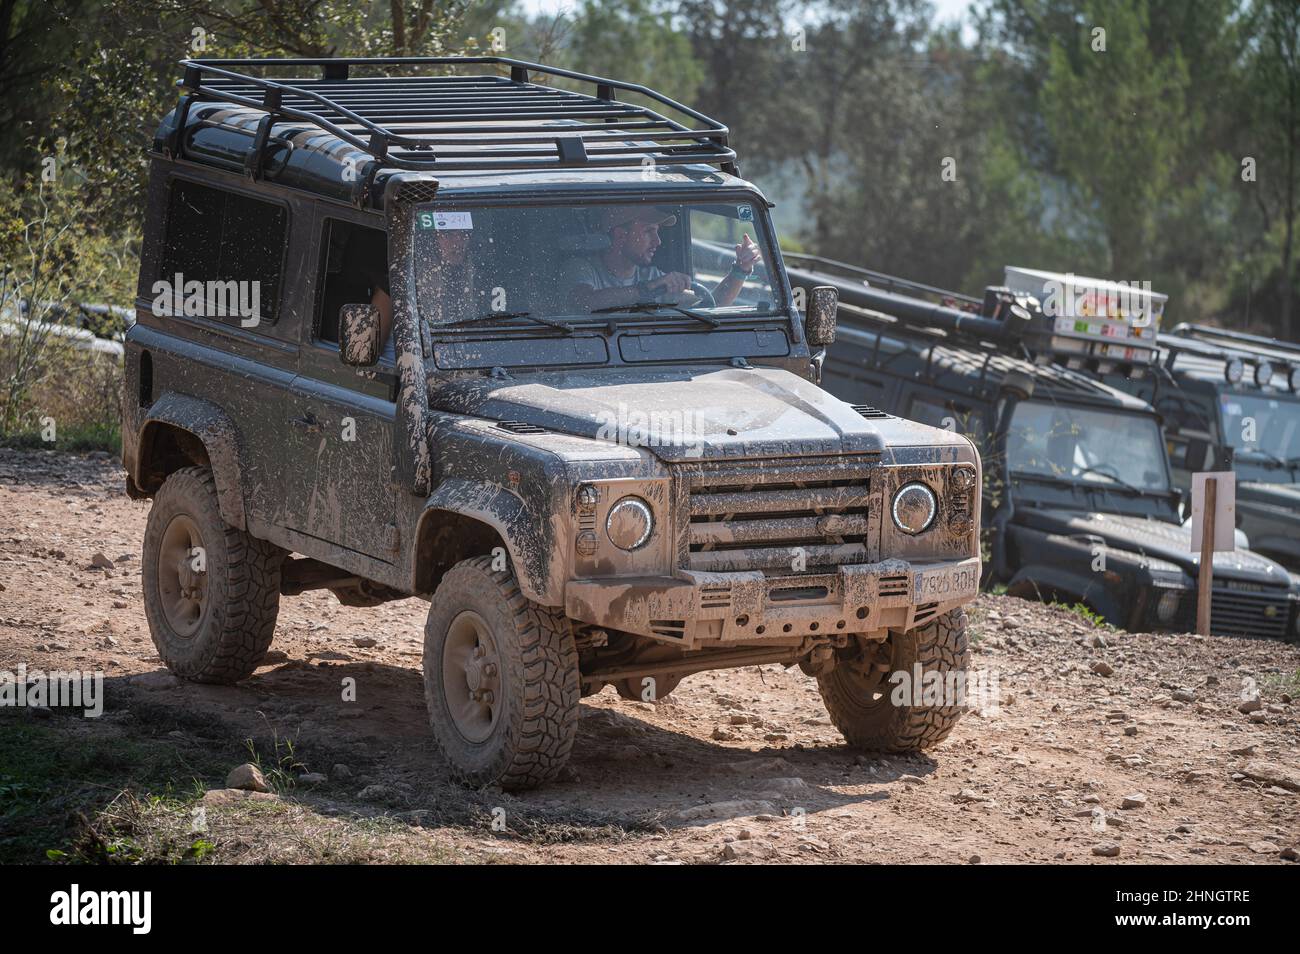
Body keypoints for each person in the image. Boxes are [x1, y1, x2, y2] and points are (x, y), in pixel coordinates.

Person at [565, 206, 761, 312]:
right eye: (649, 231)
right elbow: (582, 303)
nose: (658, 241)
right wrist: (648, 289)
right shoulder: (581, 268)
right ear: (620, 235)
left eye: (657, 232)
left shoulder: (651, 275)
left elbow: (711, 306)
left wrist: (740, 270)